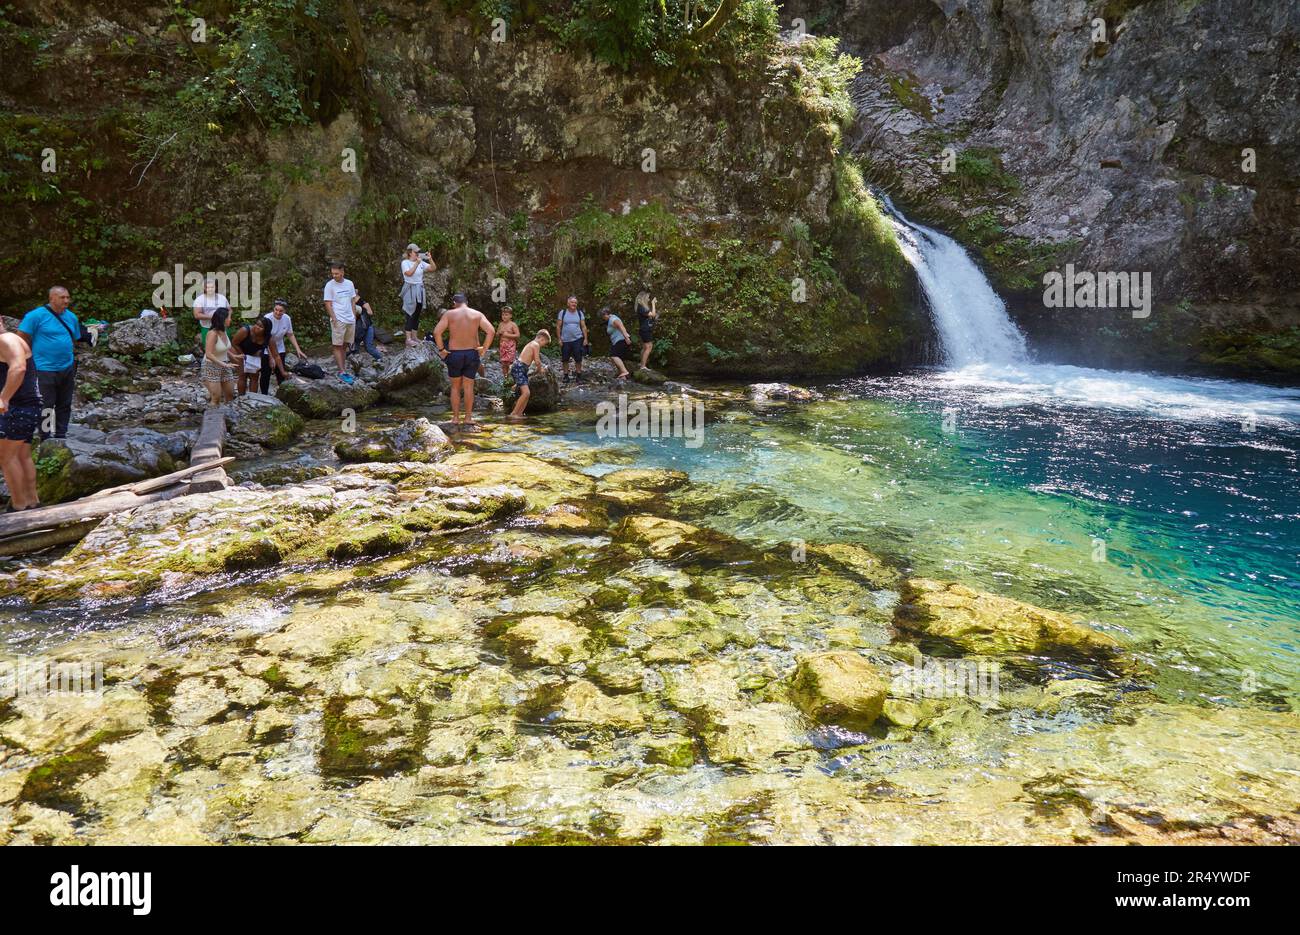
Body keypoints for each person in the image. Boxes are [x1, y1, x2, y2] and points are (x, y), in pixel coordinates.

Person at [17, 285, 85, 440]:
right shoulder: (35, 316)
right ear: (52, 298)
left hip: (67, 366)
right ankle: (45, 436)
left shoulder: (71, 317)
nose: (67, 301)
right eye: (63, 298)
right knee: (46, 404)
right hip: (43, 367)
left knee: (65, 403)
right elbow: (21, 337)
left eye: (68, 297)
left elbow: (73, 337)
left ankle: (61, 434)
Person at [433, 293, 495, 432]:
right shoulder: (477, 314)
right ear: (466, 302)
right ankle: (468, 418)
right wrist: (484, 349)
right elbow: (491, 331)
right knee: (468, 387)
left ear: (455, 303)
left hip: (455, 354)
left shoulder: (449, 314)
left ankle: (455, 418)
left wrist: (442, 349)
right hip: (472, 354)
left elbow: (437, 332)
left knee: (455, 387)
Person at [0, 322, 42, 511]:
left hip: (18, 407)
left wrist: (4, 398)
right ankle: (32, 502)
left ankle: (18, 507)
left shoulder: (6, 339)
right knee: (22, 455)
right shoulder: (9, 339)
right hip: (27, 406)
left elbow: (19, 368)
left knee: (5, 457)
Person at [323, 262, 358, 383]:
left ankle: (344, 370)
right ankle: (342, 371)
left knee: (345, 345)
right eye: (333, 273)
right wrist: (334, 318)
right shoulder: (330, 285)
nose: (334, 276)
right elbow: (327, 303)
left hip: (350, 319)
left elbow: (353, 300)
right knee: (337, 345)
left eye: (336, 273)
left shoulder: (349, 283)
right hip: (338, 319)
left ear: (342, 272)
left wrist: (354, 316)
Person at [263, 299, 305, 394]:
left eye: (280, 311)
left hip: (279, 347)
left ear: (284, 311)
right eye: (276, 310)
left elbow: (290, 334)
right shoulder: (267, 318)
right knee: (266, 373)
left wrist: (298, 349)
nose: (277, 312)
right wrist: (271, 357)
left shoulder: (287, 318)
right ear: (273, 309)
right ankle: (264, 394)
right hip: (267, 348)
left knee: (280, 371)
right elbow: (264, 338)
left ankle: (282, 394)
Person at [508, 329, 550, 420]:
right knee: (526, 393)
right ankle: (513, 413)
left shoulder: (532, 344)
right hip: (519, 367)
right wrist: (540, 369)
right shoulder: (535, 345)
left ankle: (519, 413)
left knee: (527, 394)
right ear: (541, 339)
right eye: (544, 343)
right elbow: (537, 361)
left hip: (521, 368)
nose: (543, 345)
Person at [400, 243, 436, 348]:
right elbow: (409, 273)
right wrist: (417, 263)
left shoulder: (420, 262)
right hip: (410, 289)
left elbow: (433, 268)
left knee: (417, 313)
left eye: (418, 252)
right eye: (415, 252)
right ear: (410, 252)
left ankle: (414, 336)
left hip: (419, 289)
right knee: (410, 313)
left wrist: (430, 259)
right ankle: (408, 339)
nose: (417, 254)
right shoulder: (405, 263)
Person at [231, 315, 276, 396]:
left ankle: (253, 399)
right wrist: (243, 355)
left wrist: (271, 358)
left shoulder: (268, 338)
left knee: (255, 376)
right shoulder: (245, 330)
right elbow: (234, 343)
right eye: (257, 324)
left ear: (266, 330)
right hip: (238, 351)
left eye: (261, 327)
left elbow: (270, 349)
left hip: (253, 355)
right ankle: (241, 398)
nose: (257, 327)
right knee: (243, 374)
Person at [201, 307, 237, 407]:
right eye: (229, 317)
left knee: (230, 395)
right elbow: (209, 354)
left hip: (224, 364)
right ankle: (212, 419)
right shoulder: (212, 334)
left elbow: (224, 348)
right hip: (211, 366)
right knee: (216, 398)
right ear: (223, 319)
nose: (231, 319)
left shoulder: (224, 331)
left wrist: (234, 355)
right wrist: (224, 365)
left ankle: (228, 418)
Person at [555, 296, 589, 384]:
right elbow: (558, 327)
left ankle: (578, 376)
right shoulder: (563, 313)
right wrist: (559, 339)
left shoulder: (579, 313)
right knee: (565, 359)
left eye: (575, 303)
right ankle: (566, 376)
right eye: (572, 302)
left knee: (578, 358)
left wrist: (585, 339)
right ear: (568, 303)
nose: (574, 304)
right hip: (565, 340)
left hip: (577, 339)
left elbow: (583, 326)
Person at [194, 277, 229, 351]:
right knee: (210, 351)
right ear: (204, 288)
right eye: (207, 287)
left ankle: (226, 362)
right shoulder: (199, 300)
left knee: (226, 348)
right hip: (208, 328)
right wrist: (214, 317)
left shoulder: (222, 297)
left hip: (223, 328)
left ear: (215, 287)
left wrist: (229, 318)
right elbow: (197, 315)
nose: (210, 289)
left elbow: (229, 309)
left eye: (212, 287)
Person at [600, 306, 633, 379]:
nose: (603, 318)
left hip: (621, 340)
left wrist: (626, 337)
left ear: (606, 314)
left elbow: (621, 326)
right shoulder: (612, 318)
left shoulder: (613, 319)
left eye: (603, 316)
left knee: (613, 355)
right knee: (620, 358)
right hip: (619, 341)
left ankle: (624, 371)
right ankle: (623, 377)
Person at [351, 292, 382, 361]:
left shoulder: (362, 302)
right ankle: (355, 364)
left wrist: (362, 311)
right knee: (354, 349)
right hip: (355, 329)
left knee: (369, 348)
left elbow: (370, 312)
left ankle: (380, 359)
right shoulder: (347, 303)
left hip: (367, 326)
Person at [635, 288, 658, 369]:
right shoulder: (642, 308)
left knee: (645, 347)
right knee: (649, 347)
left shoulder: (641, 307)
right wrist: (653, 304)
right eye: (648, 297)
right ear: (644, 298)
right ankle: (643, 366)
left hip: (644, 329)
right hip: (645, 330)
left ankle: (641, 363)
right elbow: (653, 315)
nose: (648, 299)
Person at [496, 306, 520, 379]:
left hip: (510, 345)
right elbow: (497, 334)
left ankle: (511, 377)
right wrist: (499, 333)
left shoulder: (513, 324)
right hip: (502, 345)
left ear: (510, 316)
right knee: (503, 362)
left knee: (509, 362)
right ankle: (505, 377)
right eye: (503, 314)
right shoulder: (501, 324)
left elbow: (518, 335)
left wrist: (507, 335)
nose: (504, 316)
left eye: (506, 315)